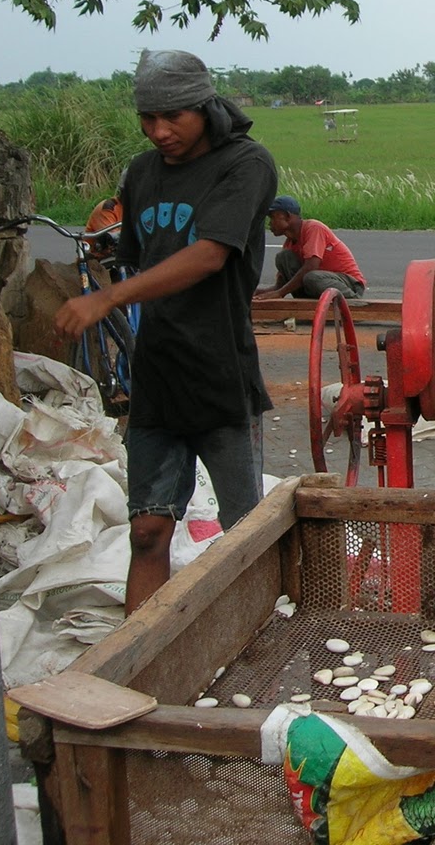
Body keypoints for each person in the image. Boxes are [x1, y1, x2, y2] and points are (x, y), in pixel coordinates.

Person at [55, 50, 277, 614]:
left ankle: (253, 647)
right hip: (156, 379)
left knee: (244, 534)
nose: (159, 131)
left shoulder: (245, 164)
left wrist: (106, 297)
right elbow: (135, 257)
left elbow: (207, 255)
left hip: (219, 375)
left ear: (205, 107)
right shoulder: (143, 171)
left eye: (173, 116)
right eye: (147, 118)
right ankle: (136, 660)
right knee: (146, 531)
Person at [254, 195, 366, 301]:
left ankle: (351, 301)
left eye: (273, 217)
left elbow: (312, 266)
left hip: (349, 284)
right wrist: (260, 293)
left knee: (311, 277)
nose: (270, 224)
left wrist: (280, 293)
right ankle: (307, 302)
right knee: (283, 257)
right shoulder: (289, 244)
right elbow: (280, 285)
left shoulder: (313, 228)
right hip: (317, 283)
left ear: (288, 217)